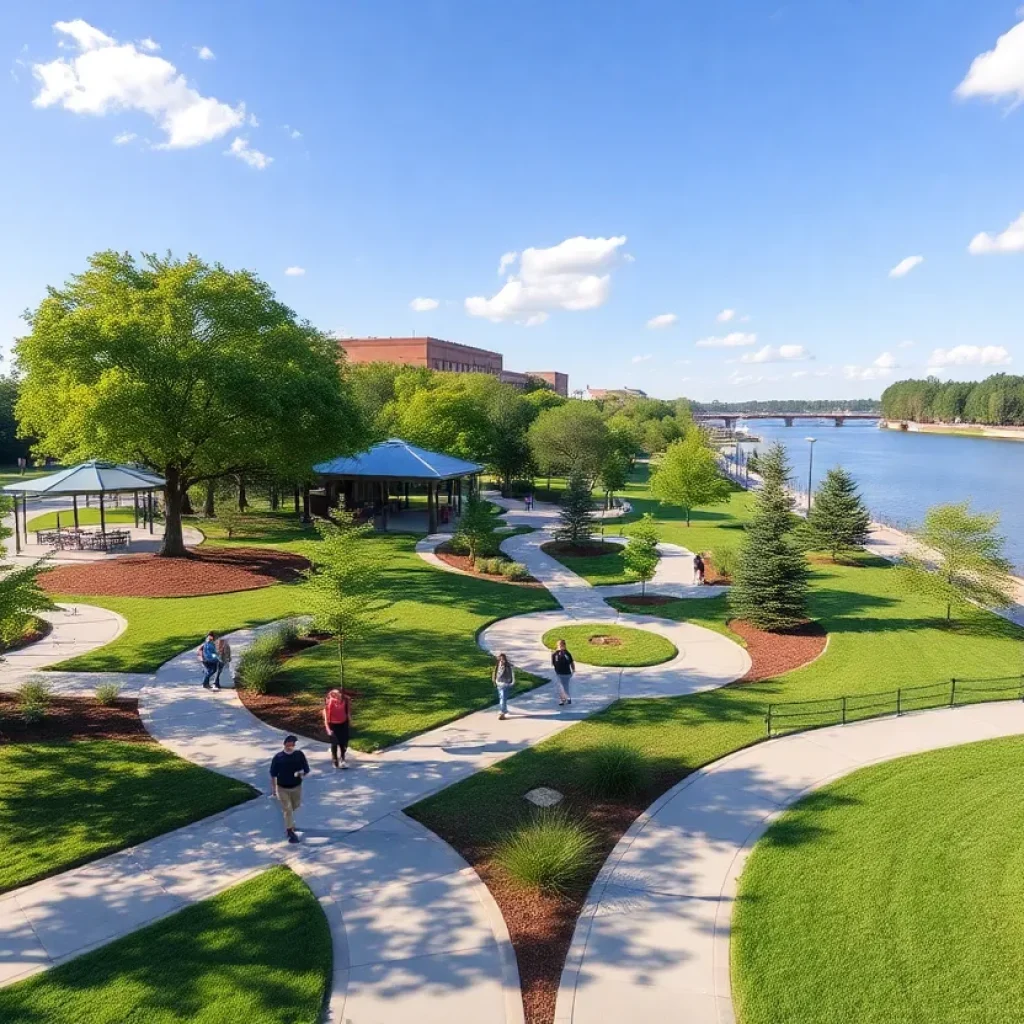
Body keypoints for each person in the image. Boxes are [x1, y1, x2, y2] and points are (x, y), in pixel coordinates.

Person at [269, 734, 310, 843]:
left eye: (292, 743)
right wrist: (273, 790)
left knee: (295, 806)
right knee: (287, 808)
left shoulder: (299, 755)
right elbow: (273, 774)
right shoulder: (278, 758)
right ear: (284, 744)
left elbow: (306, 769)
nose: (290, 745)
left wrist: (300, 773)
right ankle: (290, 831)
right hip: (282, 788)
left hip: (296, 787)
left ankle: (290, 823)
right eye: (288, 743)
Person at [323, 688, 352, 768]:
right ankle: (335, 758)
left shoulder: (345, 701)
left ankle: (342, 757)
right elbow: (326, 719)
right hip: (333, 725)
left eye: (339, 694)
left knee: (344, 742)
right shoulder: (329, 703)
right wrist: (328, 729)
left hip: (343, 724)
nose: (338, 696)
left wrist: (350, 722)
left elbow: (348, 711)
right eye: (335, 695)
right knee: (334, 743)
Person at [551, 638, 575, 707]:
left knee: (565, 686)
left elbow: (571, 662)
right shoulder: (554, 654)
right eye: (559, 645)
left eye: (562, 645)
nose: (560, 646)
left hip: (567, 673)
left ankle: (567, 698)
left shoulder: (567, 654)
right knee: (561, 686)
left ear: (564, 645)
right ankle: (563, 699)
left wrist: (573, 670)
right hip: (559, 673)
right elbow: (553, 664)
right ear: (557, 645)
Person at [492, 653, 515, 720]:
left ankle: (502, 712)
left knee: (503, 698)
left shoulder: (508, 666)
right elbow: (495, 673)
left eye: (503, 659)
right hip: (499, 684)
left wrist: (512, 683)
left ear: (505, 659)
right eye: (500, 658)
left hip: (505, 684)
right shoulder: (497, 665)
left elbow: (512, 674)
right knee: (502, 697)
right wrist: (495, 681)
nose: (501, 660)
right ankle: (504, 710)